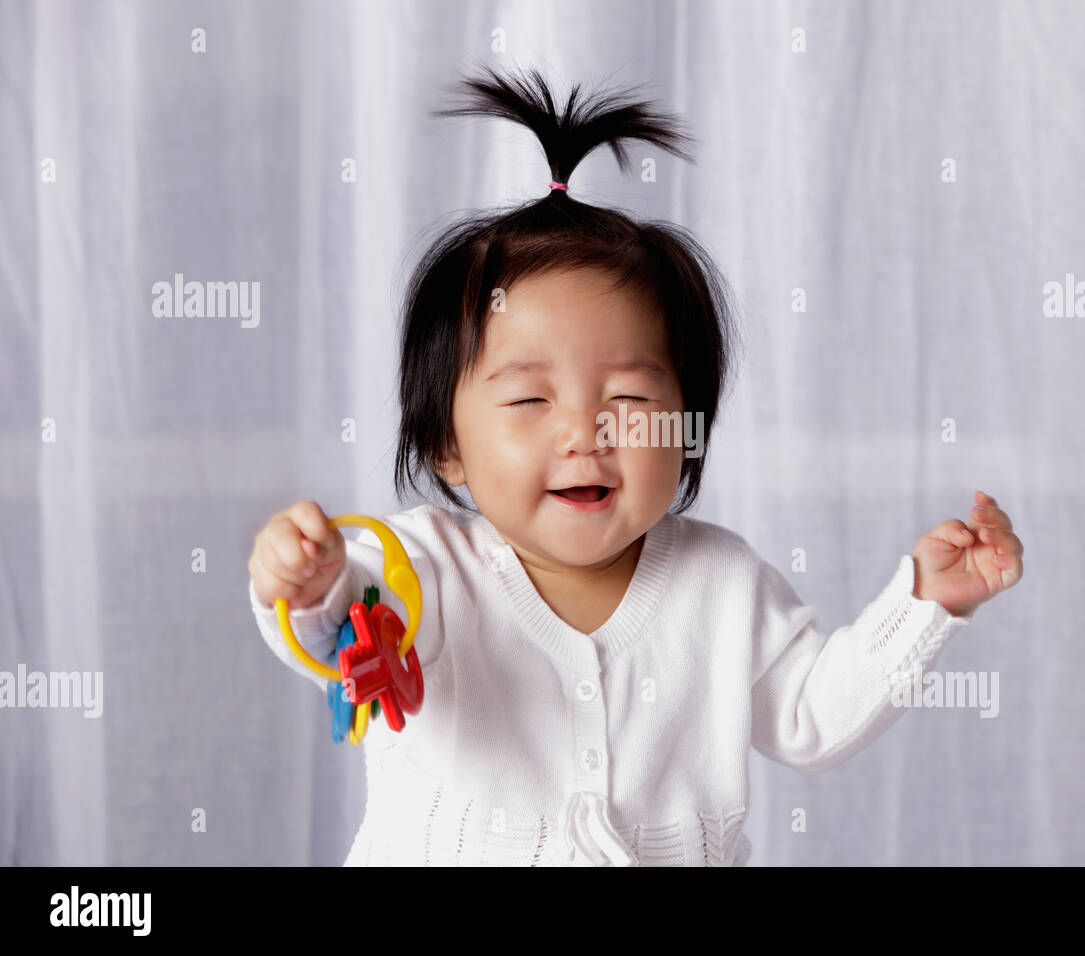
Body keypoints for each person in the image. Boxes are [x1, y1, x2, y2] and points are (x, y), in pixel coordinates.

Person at [247, 66, 1024, 866]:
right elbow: (359, 617)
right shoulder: (429, 566)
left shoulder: (722, 584)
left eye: (629, 398)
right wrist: (312, 584)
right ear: (446, 443)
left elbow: (813, 717)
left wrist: (927, 604)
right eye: (528, 402)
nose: (585, 433)